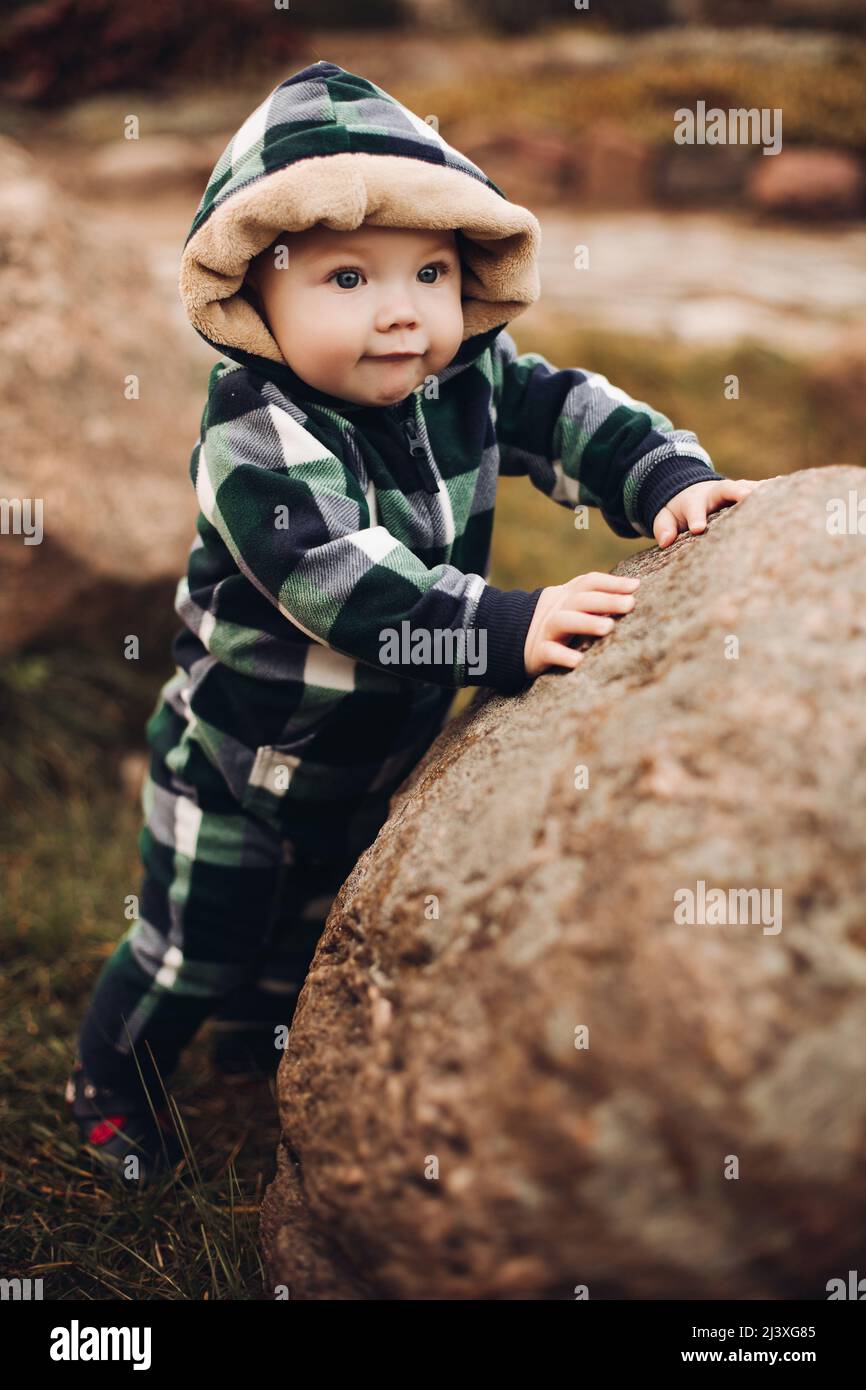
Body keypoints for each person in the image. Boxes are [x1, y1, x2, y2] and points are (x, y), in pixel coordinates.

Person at [65, 60, 756, 1185]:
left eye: (428, 271)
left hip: (377, 750)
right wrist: (496, 623)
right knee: (198, 940)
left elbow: (565, 412)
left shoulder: (462, 376)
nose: (399, 310)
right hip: (243, 757)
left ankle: (261, 1041)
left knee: (314, 924)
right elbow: (338, 580)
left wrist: (659, 473)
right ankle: (111, 1072)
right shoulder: (256, 429)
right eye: (345, 276)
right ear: (257, 298)